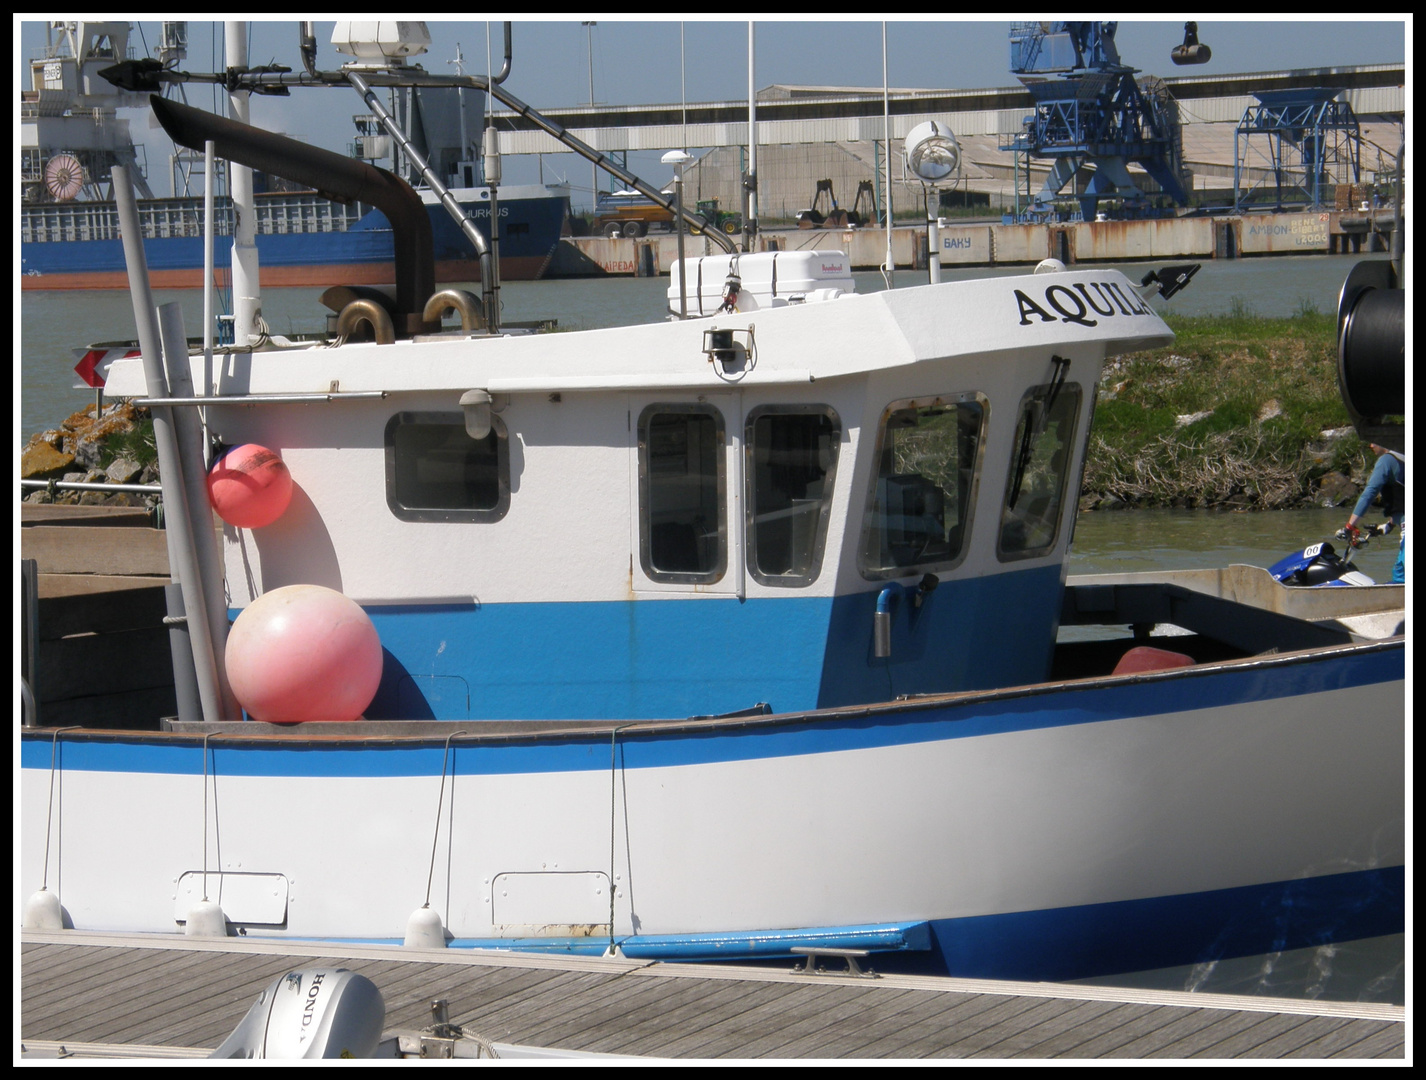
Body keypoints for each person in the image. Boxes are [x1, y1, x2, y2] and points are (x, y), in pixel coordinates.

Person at [1338, 443, 1405, 583]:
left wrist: (1350, 526)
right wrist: (1389, 525)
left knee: (1403, 575)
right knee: (1399, 575)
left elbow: (1370, 493)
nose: (1371, 445)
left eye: (1374, 441)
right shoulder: (1403, 458)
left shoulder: (1387, 460)